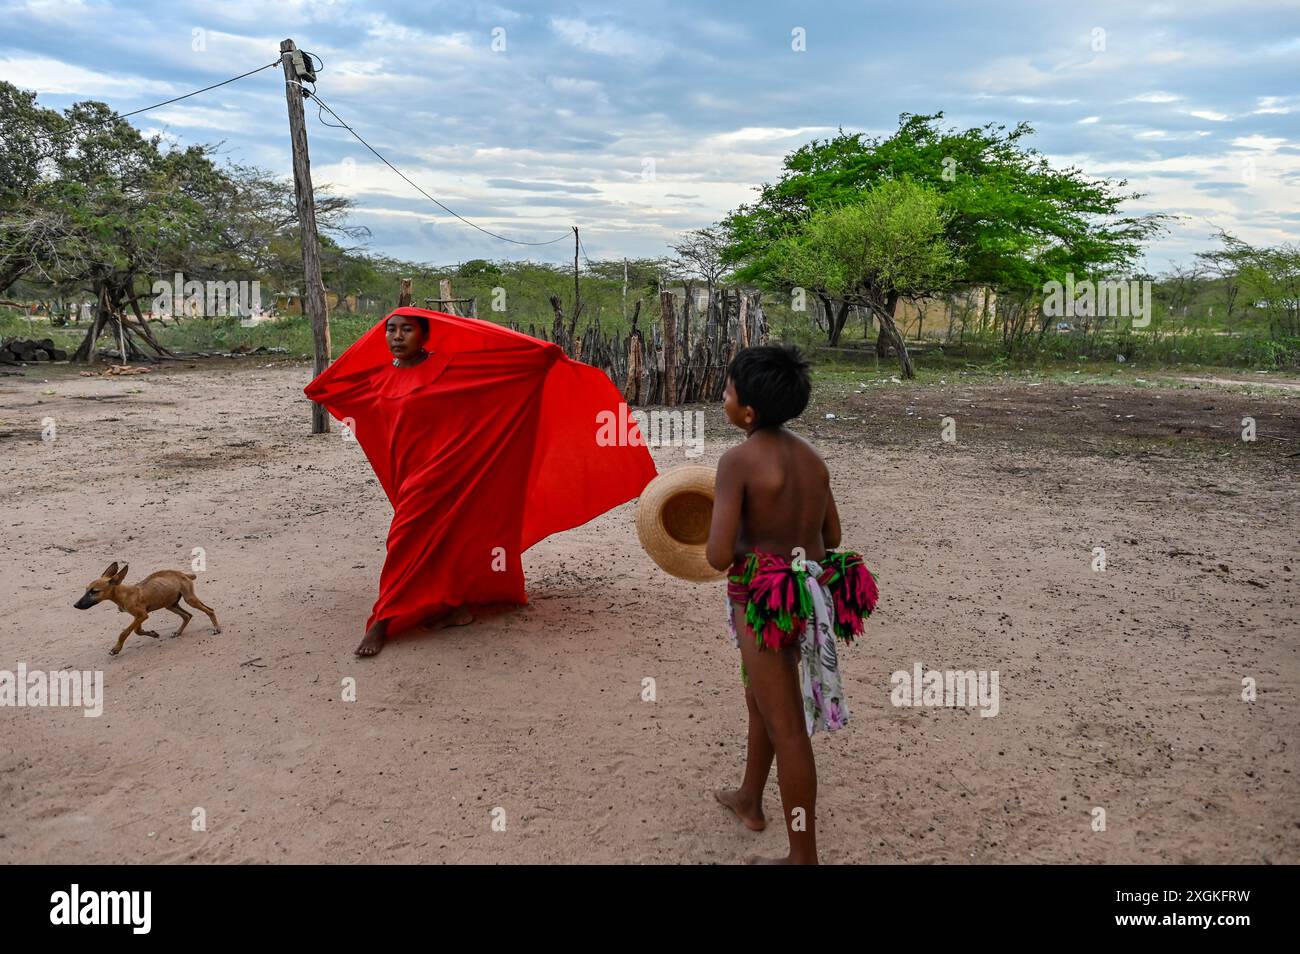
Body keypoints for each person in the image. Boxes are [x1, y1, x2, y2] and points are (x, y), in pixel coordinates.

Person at [304, 308, 657, 658]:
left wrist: (541, 356)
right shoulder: (379, 377)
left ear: (425, 335)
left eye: (407, 330)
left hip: (446, 470)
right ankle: (455, 606)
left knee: (403, 538)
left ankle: (382, 619)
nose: (397, 337)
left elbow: (500, 374)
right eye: (391, 330)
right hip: (407, 473)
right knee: (445, 538)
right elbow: (342, 392)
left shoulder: (448, 370)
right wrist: (323, 388)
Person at [705, 345, 878, 864]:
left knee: (788, 728)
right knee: (764, 701)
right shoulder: (812, 459)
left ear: (748, 412)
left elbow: (717, 555)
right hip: (806, 595)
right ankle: (749, 799)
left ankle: (804, 859)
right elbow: (832, 534)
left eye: (728, 390)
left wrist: (748, 545)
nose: (724, 397)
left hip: (762, 601)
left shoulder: (737, 461)